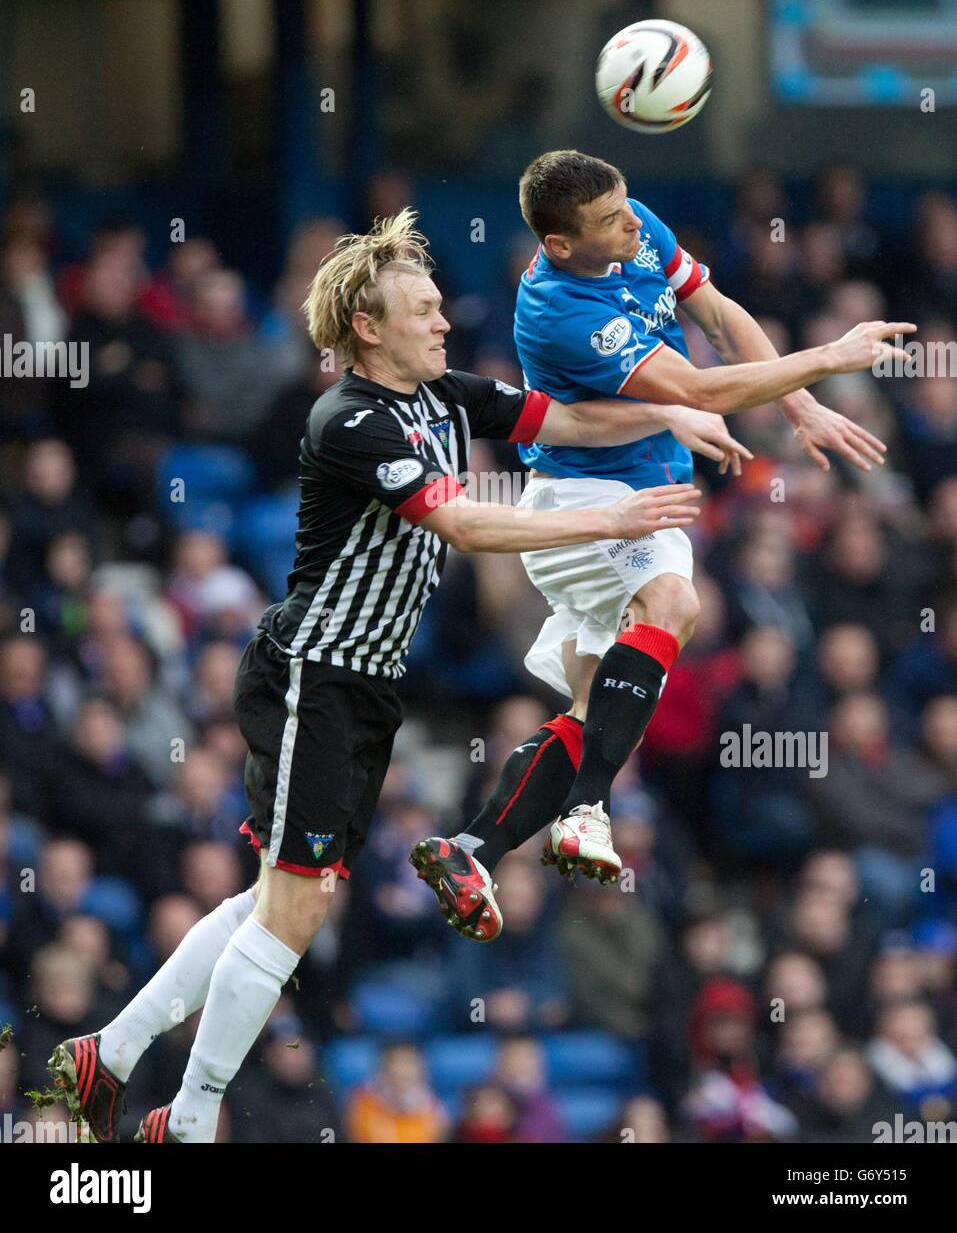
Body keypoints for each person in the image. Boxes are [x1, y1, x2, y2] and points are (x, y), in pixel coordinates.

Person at [47, 206, 719, 1144]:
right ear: (369, 327)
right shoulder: (349, 417)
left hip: (366, 688)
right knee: (297, 905)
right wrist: (611, 521)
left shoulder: (445, 393)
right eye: (425, 308)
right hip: (310, 675)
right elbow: (464, 523)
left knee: (272, 900)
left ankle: (107, 1056)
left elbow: (560, 415)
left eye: (443, 305)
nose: (445, 322)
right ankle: (189, 1120)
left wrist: (670, 410)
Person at [415, 148, 912, 934]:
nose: (629, 224)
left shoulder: (629, 220)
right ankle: (587, 812)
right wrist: (827, 356)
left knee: (589, 714)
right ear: (558, 245)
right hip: (589, 497)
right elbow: (698, 387)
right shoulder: (559, 309)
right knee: (675, 603)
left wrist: (800, 405)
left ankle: (471, 846)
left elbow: (714, 313)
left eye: (625, 209)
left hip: (649, 487)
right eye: (608, 221)